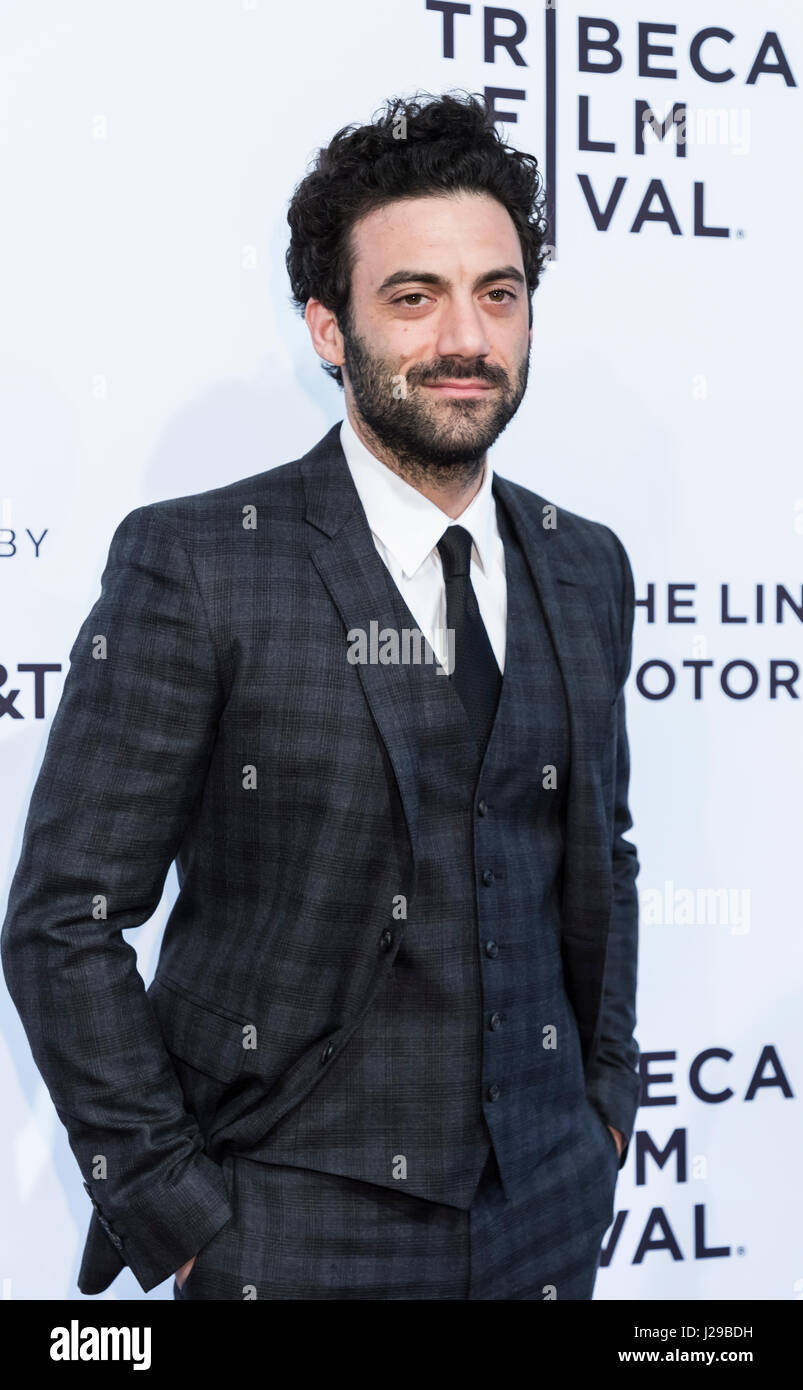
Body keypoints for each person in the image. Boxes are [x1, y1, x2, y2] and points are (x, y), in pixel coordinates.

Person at [1, 90, 640, 1300]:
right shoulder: (202, 562)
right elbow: (62, 921)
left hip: (546, 1214)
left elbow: (597, 849)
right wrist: (183, 1215)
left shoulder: (584, 562)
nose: (465, 336)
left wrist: (600, 1107)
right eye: (414, 297)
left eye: (497, 293)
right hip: (283, 1228)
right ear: (326, 327)